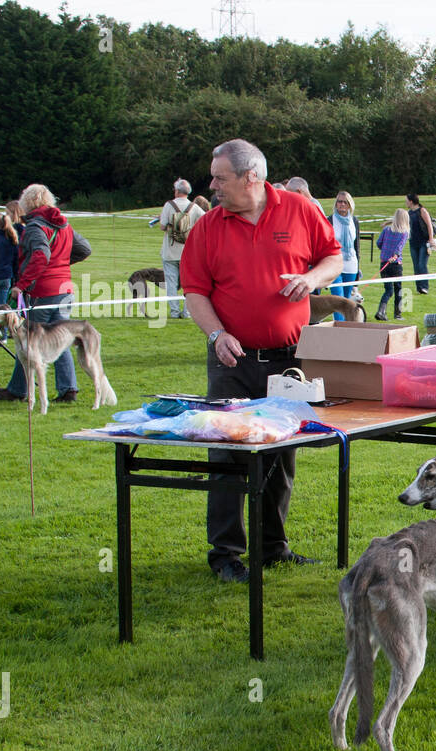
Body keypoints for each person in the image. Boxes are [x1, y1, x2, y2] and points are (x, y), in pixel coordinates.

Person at [180, 138, 343, 583]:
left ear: (251, 177)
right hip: (230, 361)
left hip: (289, 361)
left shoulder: (299, 209)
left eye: (219, 177)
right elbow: (194, 290)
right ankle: (226, 555)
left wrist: (311, 278)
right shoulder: (209, 226)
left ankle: (273, 547)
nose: (211, 185)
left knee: (281, 453)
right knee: (227, 453)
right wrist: (216, 334)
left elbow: (334, 257)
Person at [0, 183, 92, 404]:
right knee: (60, 338)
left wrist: (23, 283)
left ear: (27, 203)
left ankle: (18, 390)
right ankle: (68, 389)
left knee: (28, 339)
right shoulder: (63, 224)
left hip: (43, 291)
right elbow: (85, 249)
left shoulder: (36, 227)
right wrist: (62, 265)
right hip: (64, 288)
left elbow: (40, 254)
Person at [159, 179, 204, 321]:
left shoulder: (169, 205)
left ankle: (174, 312)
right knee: (188, 284)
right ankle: (187, 312)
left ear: (177, 191)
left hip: (170, 251)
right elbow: (205, 221)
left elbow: (162, 226)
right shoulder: (194, 207)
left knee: (171, 283)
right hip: (188, 252)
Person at [375, 209, 410, 322]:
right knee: (398, 289)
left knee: (388, 290)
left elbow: (378, 243)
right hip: (395, 264)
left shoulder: (386, 230)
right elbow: (399, 247)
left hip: (383, 263)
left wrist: (385, 251)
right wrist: (395, 255)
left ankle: (381, 311)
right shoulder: (404, 233)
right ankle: (397, 314)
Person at [329, 190, 360, 315]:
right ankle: (338, 328)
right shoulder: (329, 220)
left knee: (347, 301)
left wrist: (358, 274)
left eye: (345, 202)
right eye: (339, 202)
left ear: (349, 204)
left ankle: (346, 327)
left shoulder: (354, 221)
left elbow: (356, 246)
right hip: (335, 264)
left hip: (351, 264)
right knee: (338, 300)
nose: (341, 204)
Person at [405, 194, 434, 293]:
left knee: (422, 264)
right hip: (413, 243)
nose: (406, 203)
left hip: (424, 242)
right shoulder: (409, 213)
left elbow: (429, 226)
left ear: (411, 201)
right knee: (416, 266)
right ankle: (419, 288)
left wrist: (431, 240)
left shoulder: (422, 211)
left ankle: (424, 286)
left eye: (407, 200)